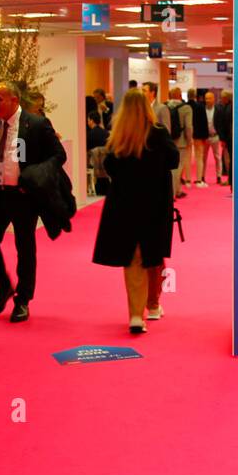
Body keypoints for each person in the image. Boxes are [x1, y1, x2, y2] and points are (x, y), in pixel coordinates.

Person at [91, 89, 180, 334]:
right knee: (154, 254)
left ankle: (135, 315)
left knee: (133, 258)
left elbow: (109, 166)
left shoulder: (119, 135)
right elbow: (173, 160)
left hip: (124, 204)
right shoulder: (159, 133)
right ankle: (153, 304)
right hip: (155, 203)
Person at [0, 81, 66, 323]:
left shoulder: (36, 124)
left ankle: (23, 300)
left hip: (23, 195)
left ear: (14, 100)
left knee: (24, 247)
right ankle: (4, 285)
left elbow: (59, 155)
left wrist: (35, 175)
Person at [165, 86, 192, 197]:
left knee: (169, 167)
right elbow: (188, 126)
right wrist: (189, 140)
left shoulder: (164, 106)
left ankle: (176, 190)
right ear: (180, 95)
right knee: (178, 167)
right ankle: (174, 192)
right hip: (181, 141)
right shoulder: (186, 108)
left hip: (167, 140)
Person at [189, 90, 219, 187]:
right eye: (206, 98)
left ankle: (218, 176)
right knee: (203, 158)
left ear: (214, 99)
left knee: (217, 157)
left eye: (209, 98)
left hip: (215, 136)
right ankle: (202, 177)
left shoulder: (218, 109)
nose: (207, 100)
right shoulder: (201, 108)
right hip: (204, 137)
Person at [215, 91, 233, 186]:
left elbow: (226, 125)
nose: (221, 99)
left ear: (226, 98)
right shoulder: (229, 107)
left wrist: (223, 138)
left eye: (222, 97)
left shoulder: (228, 108)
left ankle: (231, 180)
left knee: (229, 160)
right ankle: (230, 180)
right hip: (229, 138)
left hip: (229, 139)